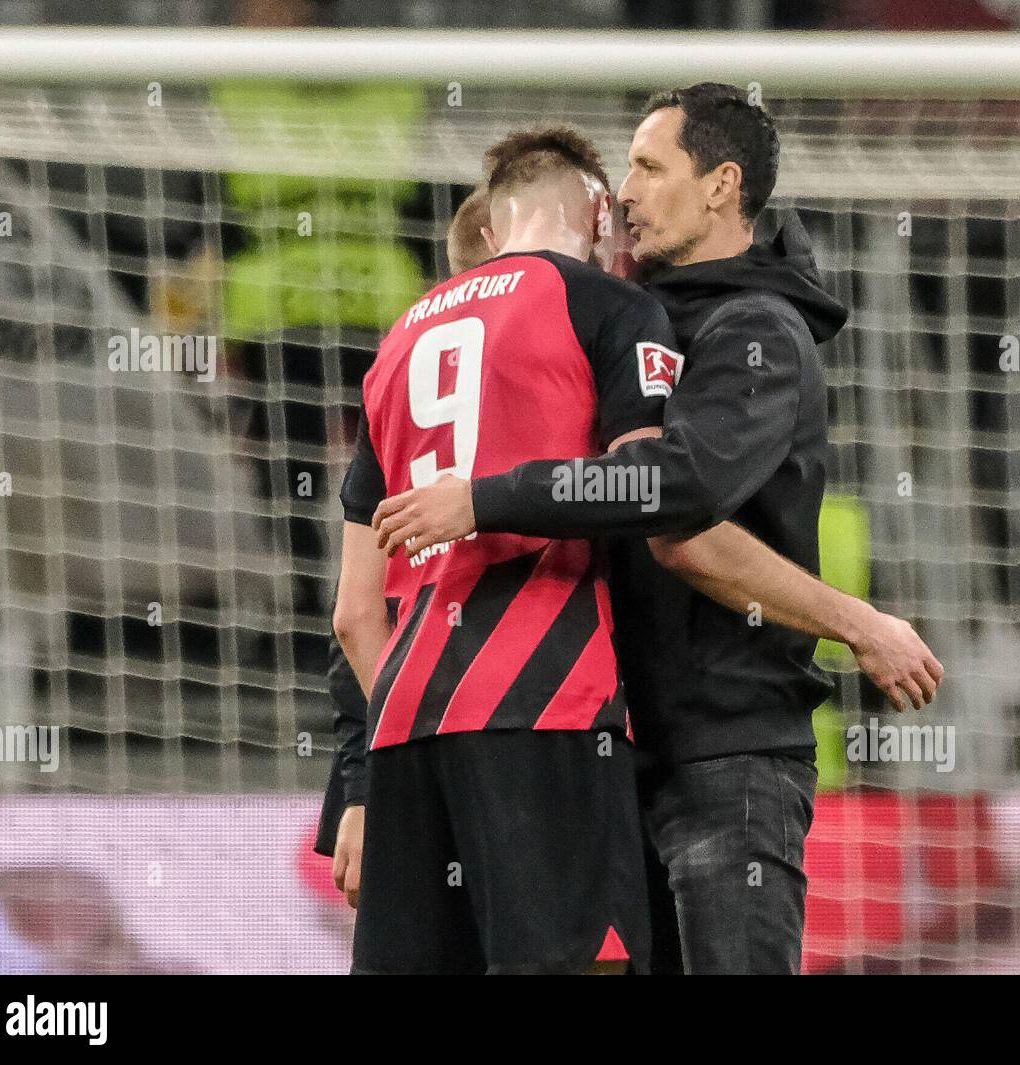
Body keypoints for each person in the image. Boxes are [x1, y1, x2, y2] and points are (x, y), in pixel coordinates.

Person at [371, 85, 944, 974]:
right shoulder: (613, 323)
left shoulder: (754, 330)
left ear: (721, 185)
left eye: (647, 166)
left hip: (729, 750)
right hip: (608, 742)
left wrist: (862, 624)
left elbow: (677, 504)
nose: (624, 192)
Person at [333, 129, 678, 973]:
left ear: (489, 229)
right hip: (546, 701)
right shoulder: (602, 302)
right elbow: (641, 485)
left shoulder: (398, 342)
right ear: (600, 211)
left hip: (407, 718)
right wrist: (491, 504)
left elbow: (352, 613)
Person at [314, 185, 492, 911]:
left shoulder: (402, 377)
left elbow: (363, 614)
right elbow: (365, 612)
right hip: (476, 749)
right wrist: (364, 783)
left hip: (423, 747)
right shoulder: (438, 389)